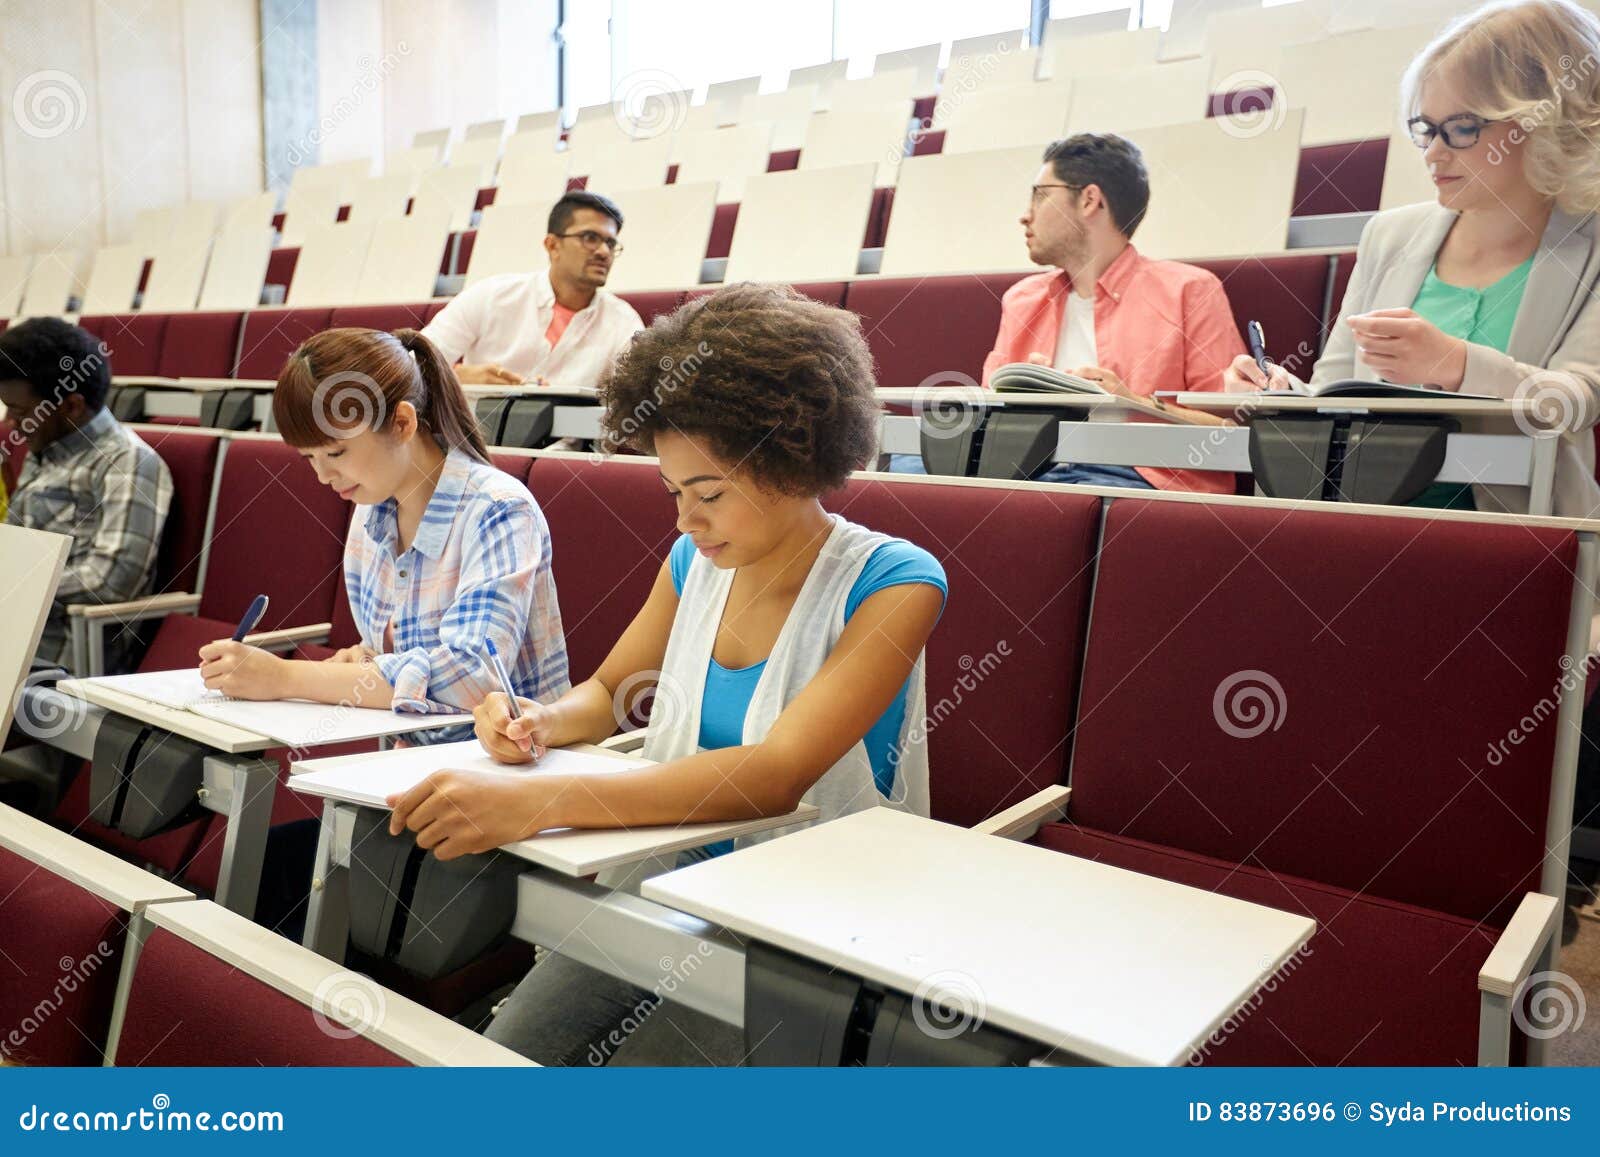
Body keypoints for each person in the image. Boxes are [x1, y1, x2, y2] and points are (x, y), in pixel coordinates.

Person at [386, 283, 948, 1065]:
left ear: (793, 461)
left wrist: (538, 799)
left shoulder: (896, 582)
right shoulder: (695, 559)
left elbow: (774, 777)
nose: (685, 519)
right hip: (676, 883)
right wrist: (539, 721)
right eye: (674, 492)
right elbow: (612, 695)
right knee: (504, 1062)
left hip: (813, 926)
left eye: (709, 493)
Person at [1224, 0, 1600, 517]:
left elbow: (1574, 403)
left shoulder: (1592, 244)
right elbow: (1335, 391)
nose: (1433, 153)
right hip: (1362, 518)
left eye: (1463, 129)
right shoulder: (1391, 235)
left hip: (1517, 538)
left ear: (1546, 121)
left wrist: (1457, 364)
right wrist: (1282, 393)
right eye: (1426, 128)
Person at [196, 328, 569, 742]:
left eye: (335, 453)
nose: (322, 475)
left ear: (403, 423)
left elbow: (473, 678)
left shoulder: (498, 510)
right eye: (309, 459)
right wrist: (364, 660)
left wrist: (285, 676)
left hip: (509, 774)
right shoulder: (370, 512)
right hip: (403, 764)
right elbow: (400, 650)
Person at [977, 133, 1245, 492]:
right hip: (1024, 467)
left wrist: (1132, 404)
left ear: (1089, 200)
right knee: (903, 468)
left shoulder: (1190, 290)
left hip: (1135, 475)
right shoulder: (1021, 299)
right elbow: (982, 417)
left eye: (1039, 196)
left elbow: (1229, 431)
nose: (1024, 216)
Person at [0, 318, 171, 674]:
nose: (10, 423)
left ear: (71, 407)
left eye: (18, 411)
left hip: (59, 657)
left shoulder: (127, 462)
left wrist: (16, 580)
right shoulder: (46, 447)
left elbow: (111, 581)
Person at [421, 190, 643, 388]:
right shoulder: (490, 296)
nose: (604, 251)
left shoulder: (623, 321)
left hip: (573, 435)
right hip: (473, 432)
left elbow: (640, 398)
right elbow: (410, 365)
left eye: (611, 243)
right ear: (552, 245)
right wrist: (457, 378)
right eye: (590, 238)